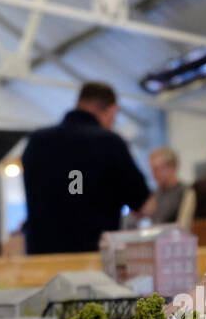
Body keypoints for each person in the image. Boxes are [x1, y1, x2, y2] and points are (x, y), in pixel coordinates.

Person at [21, 81, 149, 254]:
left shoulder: (36, 141)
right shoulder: (110, 143)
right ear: (111, 110)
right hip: (94, 258)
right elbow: (143, 204)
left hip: (43, 259)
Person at [138, 147, 189, 225]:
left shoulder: (186, 193)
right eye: (152, 169)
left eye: (158, 169)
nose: (154, 174)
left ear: (173, 167)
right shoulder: (154, 194)